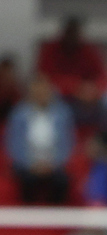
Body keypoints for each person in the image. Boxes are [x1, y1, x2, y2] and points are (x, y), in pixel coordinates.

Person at [4, 73, 75, 205]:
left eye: (43, 90)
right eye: (36, 91)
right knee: (27, 180)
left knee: (61, 181)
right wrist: (31, 165)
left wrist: (53, 165)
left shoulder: (62, 113)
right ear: (30, 93)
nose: (40, 94)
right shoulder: (18, 114)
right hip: (27, 164)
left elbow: (67, 143)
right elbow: (14, 144)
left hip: (54, 164)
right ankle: (27, 213)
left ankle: (56, 213)